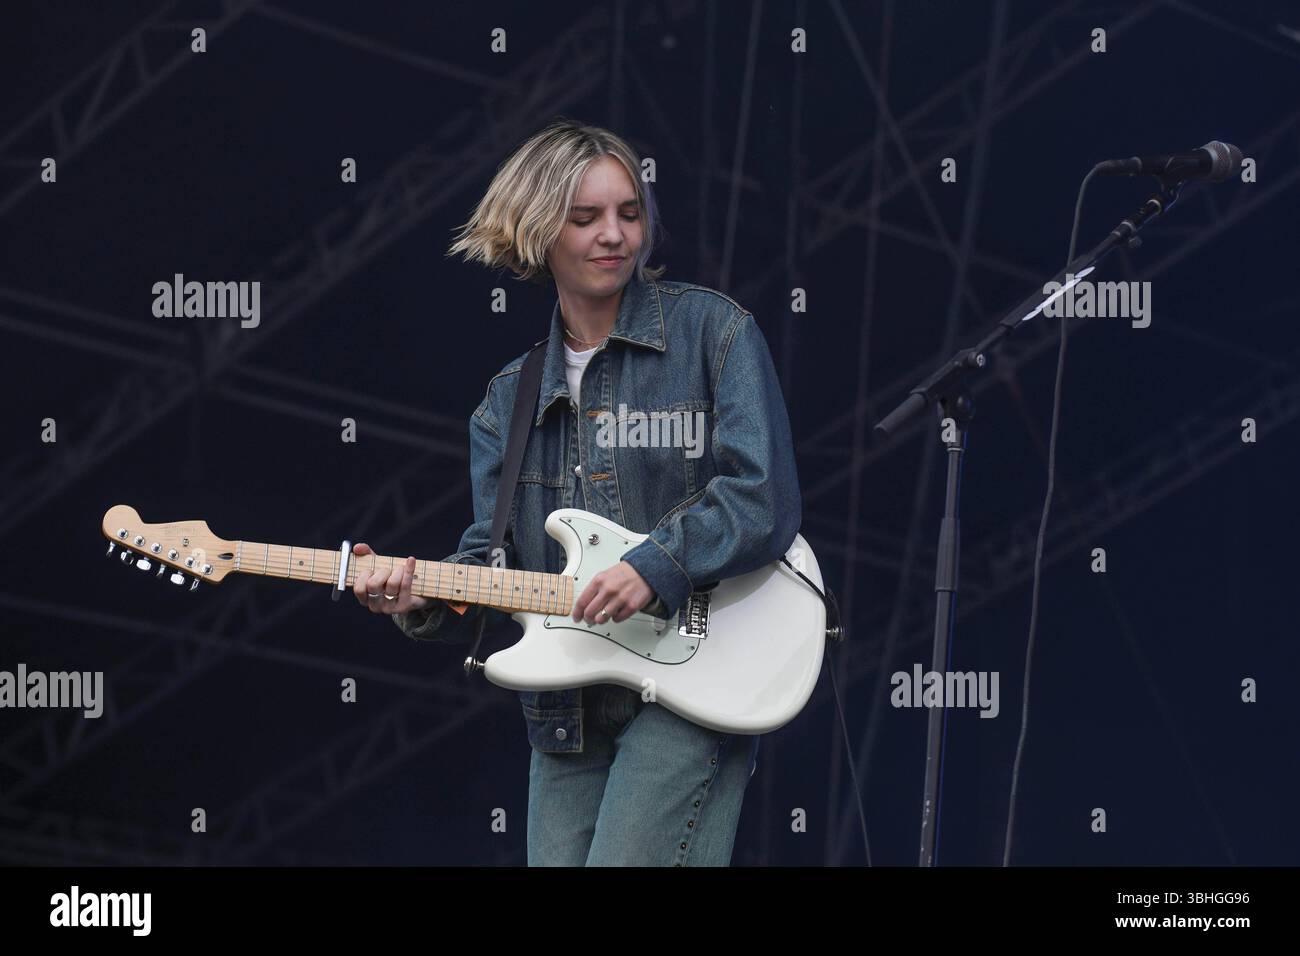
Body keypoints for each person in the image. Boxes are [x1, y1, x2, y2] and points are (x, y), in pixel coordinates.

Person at [350, 118, 801, 866]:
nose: (614, 235)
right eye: (585, 218)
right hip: (567, 715)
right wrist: (421, 599)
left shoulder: (711, 332)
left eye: (629, 213)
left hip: (695, 683)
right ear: (536, 233)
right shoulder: (505, 402)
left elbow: (764, 497)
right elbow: (495, 564)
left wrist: (655, 565)